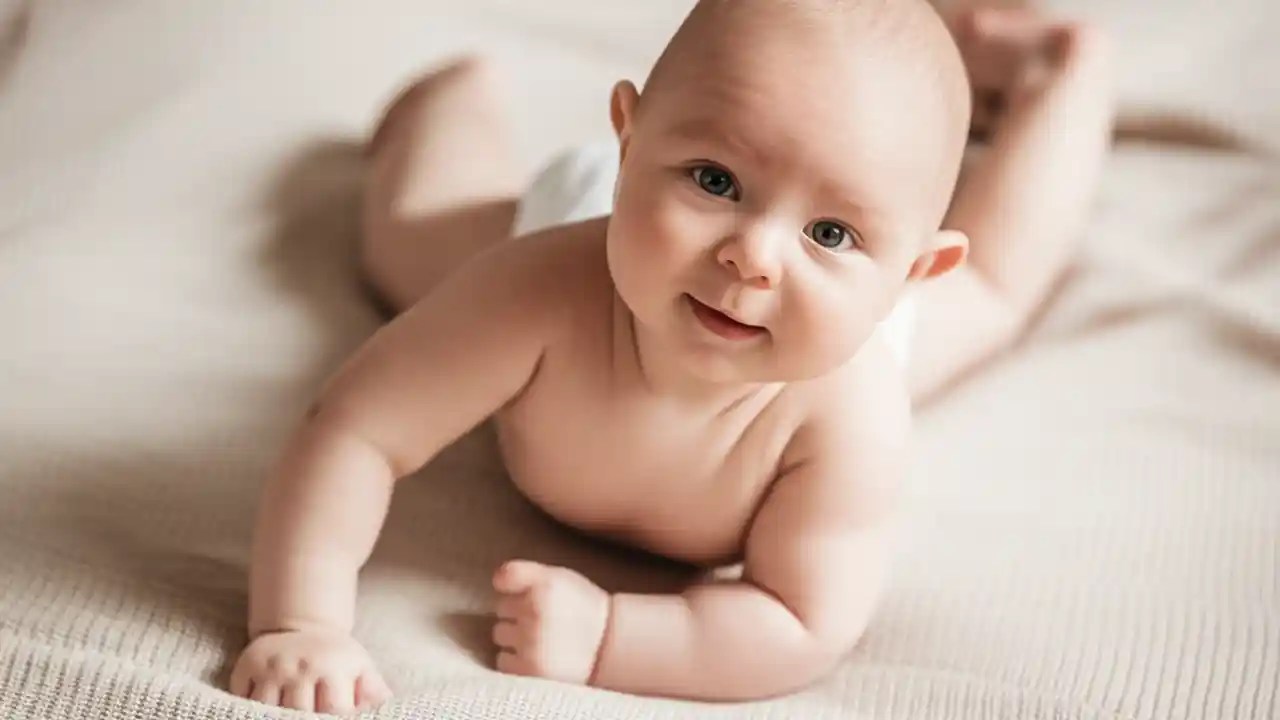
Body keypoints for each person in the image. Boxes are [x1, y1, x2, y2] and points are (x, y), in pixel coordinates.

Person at [230, 0, 1114, 713]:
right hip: (611, 244)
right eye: (716, 180)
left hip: (836, 333)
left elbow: (800, 622)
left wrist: (613, 636)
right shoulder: (533, 292)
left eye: (830, 230)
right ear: (629, 140)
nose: (753, 256)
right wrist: (298, 623)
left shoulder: (851, 417)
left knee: (994, 292)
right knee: (404, 241)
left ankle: (1064, 69)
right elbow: (355, 431)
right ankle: (450, 97)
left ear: (910, 271)